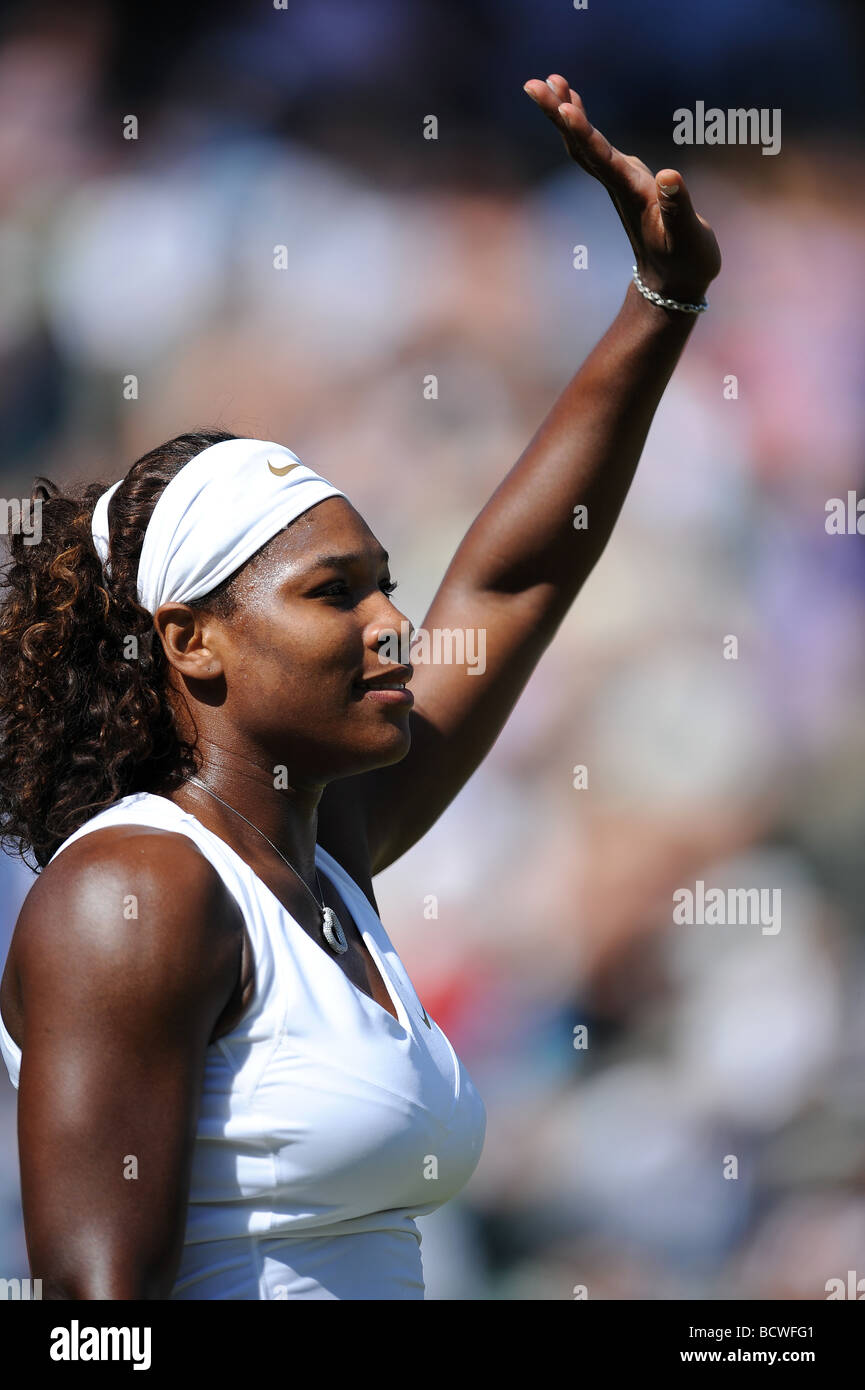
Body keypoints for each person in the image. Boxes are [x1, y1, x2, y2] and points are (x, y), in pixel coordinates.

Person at [0, 75, 720, 1299]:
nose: (396, 627)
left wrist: (662, 301)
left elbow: (511, 583)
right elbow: (89, 1325)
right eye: (338, 595)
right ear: (192, 641)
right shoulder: (137, 892)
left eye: (387, 587)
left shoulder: (325, 852)